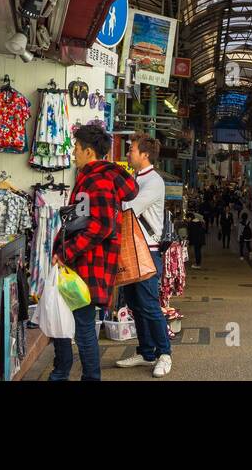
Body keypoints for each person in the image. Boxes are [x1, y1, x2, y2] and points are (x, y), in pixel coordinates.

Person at [48, 122, 138, 382]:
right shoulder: (93, 177)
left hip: (89, 264)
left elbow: (101, 225)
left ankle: (84, 376)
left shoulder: (97, 179)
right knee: (69, 321)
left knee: (84, 326)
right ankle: (61, 371)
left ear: (89, 151)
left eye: (76, 148)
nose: (73, 153)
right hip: (86, 263)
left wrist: (67, 252)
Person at [114, 134, 173, 378]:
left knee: (149, 305)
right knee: (135, 304)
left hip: (147, 250)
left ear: (145, 155)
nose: (128, 153)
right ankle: (146, 352)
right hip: (130, 248)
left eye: (132, 150)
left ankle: (165, 354)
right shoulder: (135, 178)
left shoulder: (154, 182)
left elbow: (129, 208)